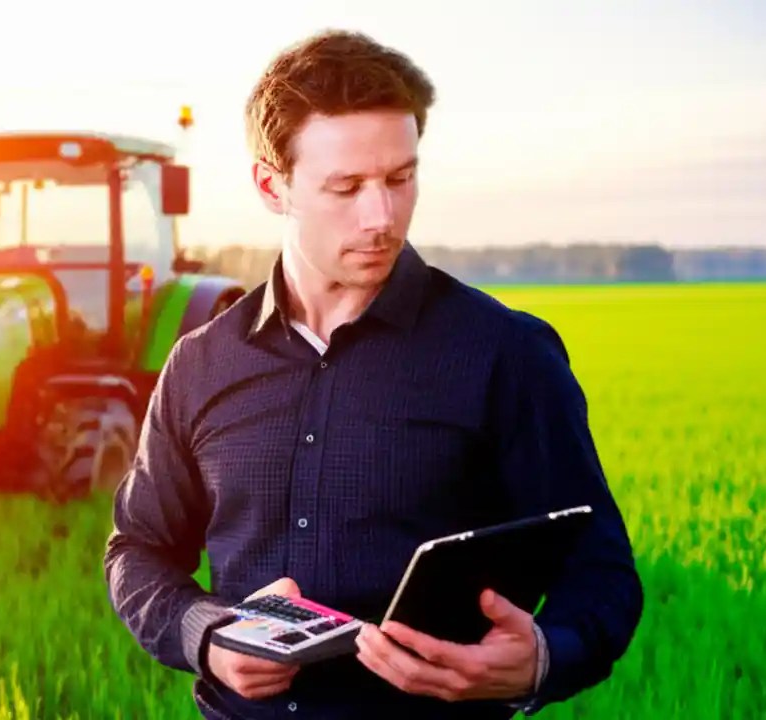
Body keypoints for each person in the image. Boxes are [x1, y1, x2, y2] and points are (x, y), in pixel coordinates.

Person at [103, 28, 643, 719]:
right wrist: (205, 635)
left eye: (400, 178)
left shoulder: (507, 354)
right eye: (347, 187)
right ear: (273, 185)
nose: (381, 216)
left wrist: (541, 656)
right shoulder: (201, 364)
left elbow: (600, 572)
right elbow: (139, 550)